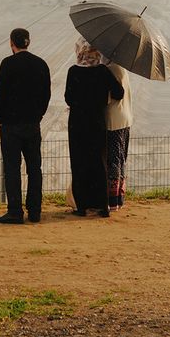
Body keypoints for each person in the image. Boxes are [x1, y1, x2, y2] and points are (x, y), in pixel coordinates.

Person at [0, 27, 51, 224]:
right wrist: (38, 115)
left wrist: (0, 117)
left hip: (11, 125)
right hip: (32, 124)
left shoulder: (8, 64)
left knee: (12, 168)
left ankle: (15, 211)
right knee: (34, 168)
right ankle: (35, 211)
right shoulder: (40, 64)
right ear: (28, 42)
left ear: (11, 43)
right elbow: (46, 95)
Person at [64, 39, 125, 218]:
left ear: (81, 53)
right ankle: (102, 206)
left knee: (79, 162)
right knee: (99, 162)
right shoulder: (103, 71)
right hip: (97, 121)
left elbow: (68, 98)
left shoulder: (73, 71)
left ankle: (82, 206)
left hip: (77, 123)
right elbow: (119, 93)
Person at [105, 61, 132, 210]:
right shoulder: (122, 68)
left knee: (113, 159)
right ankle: (119, 198)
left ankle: (112, 200)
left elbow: (113, 95)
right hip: (125, 118)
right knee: (121, 159)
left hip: (113, 120)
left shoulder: (110, 69)